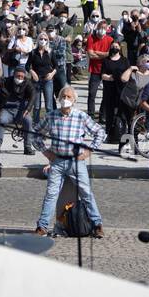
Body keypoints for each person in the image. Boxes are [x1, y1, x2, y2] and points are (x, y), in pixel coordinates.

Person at [33, 85, 106, 237]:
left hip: (76, 162)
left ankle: (97, 224)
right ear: (59, 99)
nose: (65, 99)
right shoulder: (51, 116)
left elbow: (100, 132)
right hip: (57, 161)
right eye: (63, 96)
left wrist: (89, 151)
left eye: (69, 97)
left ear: (74, 100)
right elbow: (35, 134)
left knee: (86, 193)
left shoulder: (80, 116)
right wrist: (46, 152)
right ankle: (42, 226)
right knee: (51, 195)